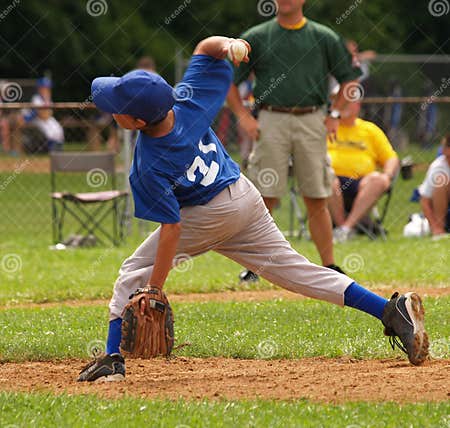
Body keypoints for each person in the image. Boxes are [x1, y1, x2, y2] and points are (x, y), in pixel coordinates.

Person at [77, 36, 428, 382]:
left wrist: (154, 287)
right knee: (297, 271)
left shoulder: (148, 164)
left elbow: (173, 229)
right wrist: (229, 44)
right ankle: (389, 309)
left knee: (133, 270)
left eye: (116, 108)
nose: (110, 110)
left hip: (209, 212)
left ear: (138, 122)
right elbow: (203, 48)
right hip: (244, 196)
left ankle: (112, 358)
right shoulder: (186, 100)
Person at [227, 0, 362, 281]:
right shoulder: (257, 36)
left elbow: (349, 78)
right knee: (265, 195)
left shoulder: (323, 36)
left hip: (312, 118)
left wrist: (335, 114)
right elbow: (228, 79)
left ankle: (329, 265)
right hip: (270, 117)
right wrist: (243, 115)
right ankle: (254, 266)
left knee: (316, 195)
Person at [327, 90, 400, 242]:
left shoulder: (370, 130)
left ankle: (346, 229)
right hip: (330, 180)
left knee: (379, 179)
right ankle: (340, 227)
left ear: (358, 105)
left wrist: (387, 174)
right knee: (325, 176)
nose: (342, 105)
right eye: (338, 101)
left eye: (348, 101)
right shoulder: (326, 127)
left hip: (363, 183)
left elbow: (391, 158)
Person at [419, 134, 450, 240]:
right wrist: (435, 227)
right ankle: (440, 229)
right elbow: (424, 201)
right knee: (441, 183)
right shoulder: (438, 167)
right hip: (446, 215)